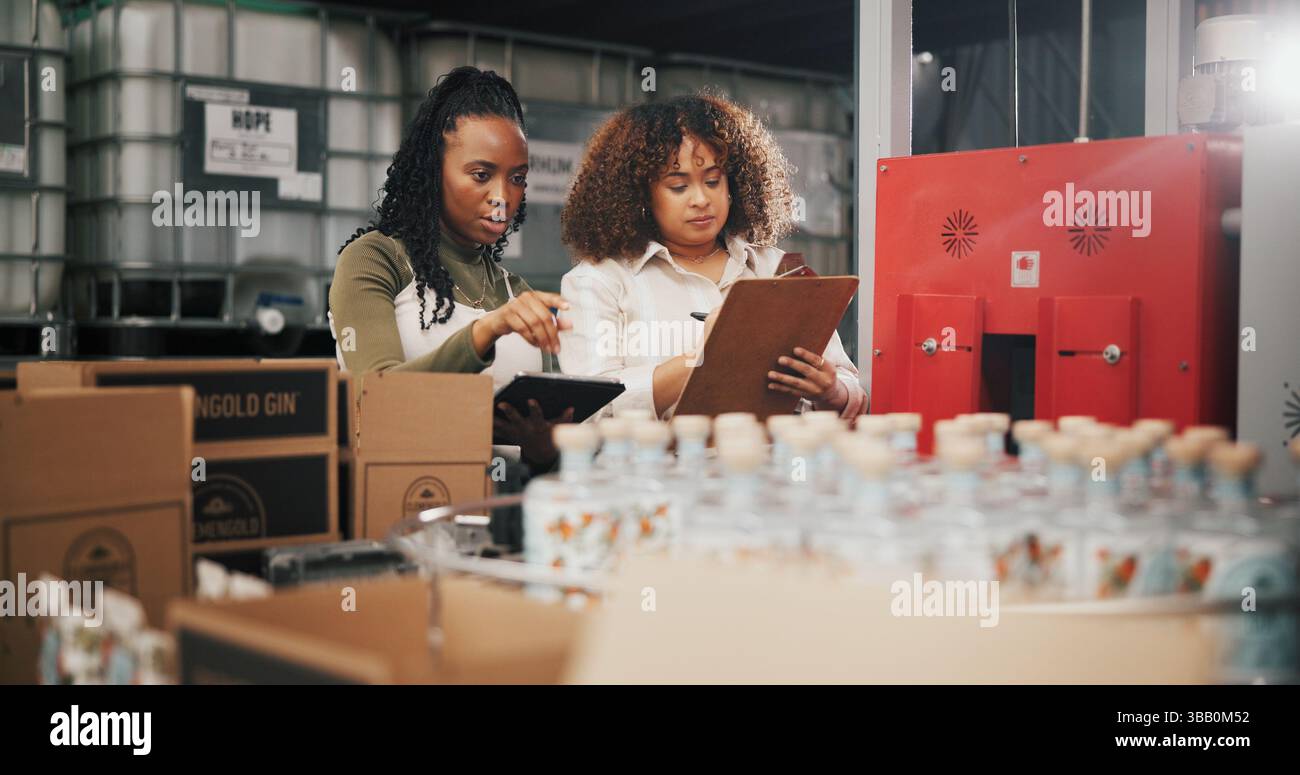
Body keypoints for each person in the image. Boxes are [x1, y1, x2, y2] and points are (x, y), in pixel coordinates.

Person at [557, 93, 869, 419]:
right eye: (678, 187)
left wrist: (832, 391)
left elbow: (853, 393)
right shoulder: (597, 282)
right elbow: (590, 407)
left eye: (712, 181)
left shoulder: (777, 269)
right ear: (640, 196)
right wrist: (702, 357)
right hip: (658, 468)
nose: (701, 199)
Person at [328, 66, 572, 468]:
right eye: (481, 175)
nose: (502, 197)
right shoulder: (375, 260)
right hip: (408, 506)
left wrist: (545, 449)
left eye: (517, 178)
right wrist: (486, 331)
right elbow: (375, 399)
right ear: (432, 170)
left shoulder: (517, 293)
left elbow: (547, 452)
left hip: (503, 514)